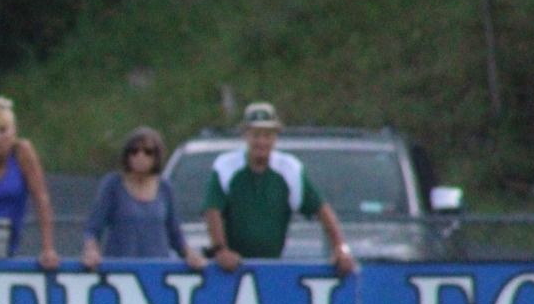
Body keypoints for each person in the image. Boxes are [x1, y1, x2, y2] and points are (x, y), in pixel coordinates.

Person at [203, 102, 358, 276]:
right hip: (231, 270)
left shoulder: (289, 169)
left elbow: (321, 209)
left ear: (275, 137)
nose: (261, 141)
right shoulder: (226, 167)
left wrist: (340, 248)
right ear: (245, 136)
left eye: (267, 135)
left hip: (273, 267)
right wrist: (220, 250)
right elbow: (212, 210)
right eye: (256, 135)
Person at [81, 125, 205, 270]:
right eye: (134, 151)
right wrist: (91, 250)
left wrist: (191, 255)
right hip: (120, 270)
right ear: (127, 155)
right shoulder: (113, 185)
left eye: (148, 152)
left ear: (156, 156)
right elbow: (93, 228)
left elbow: (175, 234)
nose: (140, 156)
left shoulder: (165, 188)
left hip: (157, 271)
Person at [0, 96, 60, 269]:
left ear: (14, 132)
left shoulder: (22, 153)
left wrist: (48, 248)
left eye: (3, 131)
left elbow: (41, 199)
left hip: (9, 247)